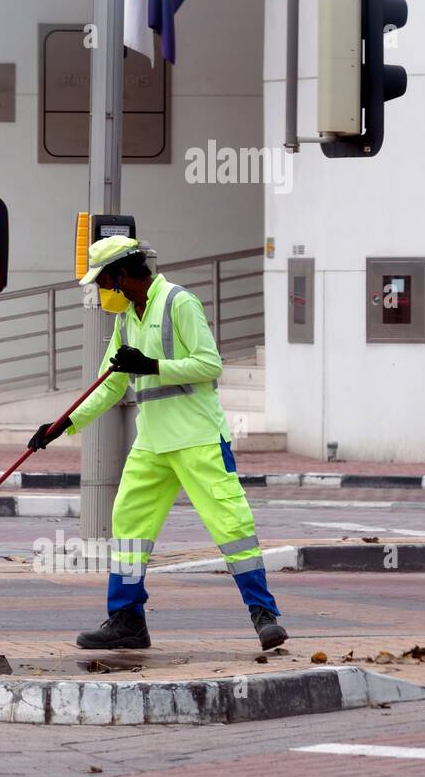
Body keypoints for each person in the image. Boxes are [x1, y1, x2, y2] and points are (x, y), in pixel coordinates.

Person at [28, 235, 287, 651]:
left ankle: (264, 615)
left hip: (198, 437)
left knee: (231, 525)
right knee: (129, 527)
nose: (103, 291)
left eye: (104, 282)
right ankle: (127, 620)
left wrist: (149, 365)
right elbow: (110, 385)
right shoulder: (126, 318)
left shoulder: (179, 303)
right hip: (152, 442)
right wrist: (64, 424)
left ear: (122, 274)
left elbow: (209, 364)